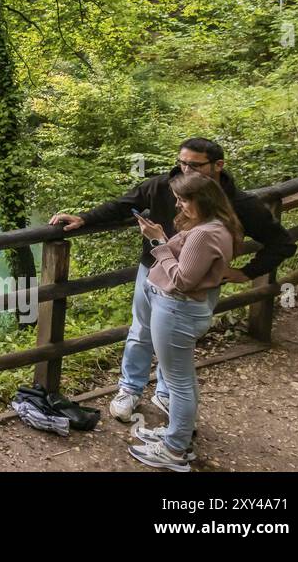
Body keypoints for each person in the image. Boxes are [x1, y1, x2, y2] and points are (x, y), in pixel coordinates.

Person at [49, 137, 293, 425]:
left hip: (196, 284)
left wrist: (246, 273)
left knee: (179, 339)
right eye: (182, 162)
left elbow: (282, 243)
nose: (185, 170)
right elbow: (124, 203)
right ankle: (130, 388)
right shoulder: (162, 186)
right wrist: (85, 218)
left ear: (218, 165)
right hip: (152, 272)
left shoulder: (238, 203)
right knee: (141, 330)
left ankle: (166, 395)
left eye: (194, 164)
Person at [122, 172, 239, 470]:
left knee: (180, 383)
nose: (179, 205)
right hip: (185, 310)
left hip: (177, 310)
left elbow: (182, 279)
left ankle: (174, 450)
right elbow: (190, 261)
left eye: (184, 200)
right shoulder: (218, 225)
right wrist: (163, 236)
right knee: (182, 379)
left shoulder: (204, 233)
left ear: (203, 200)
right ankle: (178, 436)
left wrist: (158, 243)